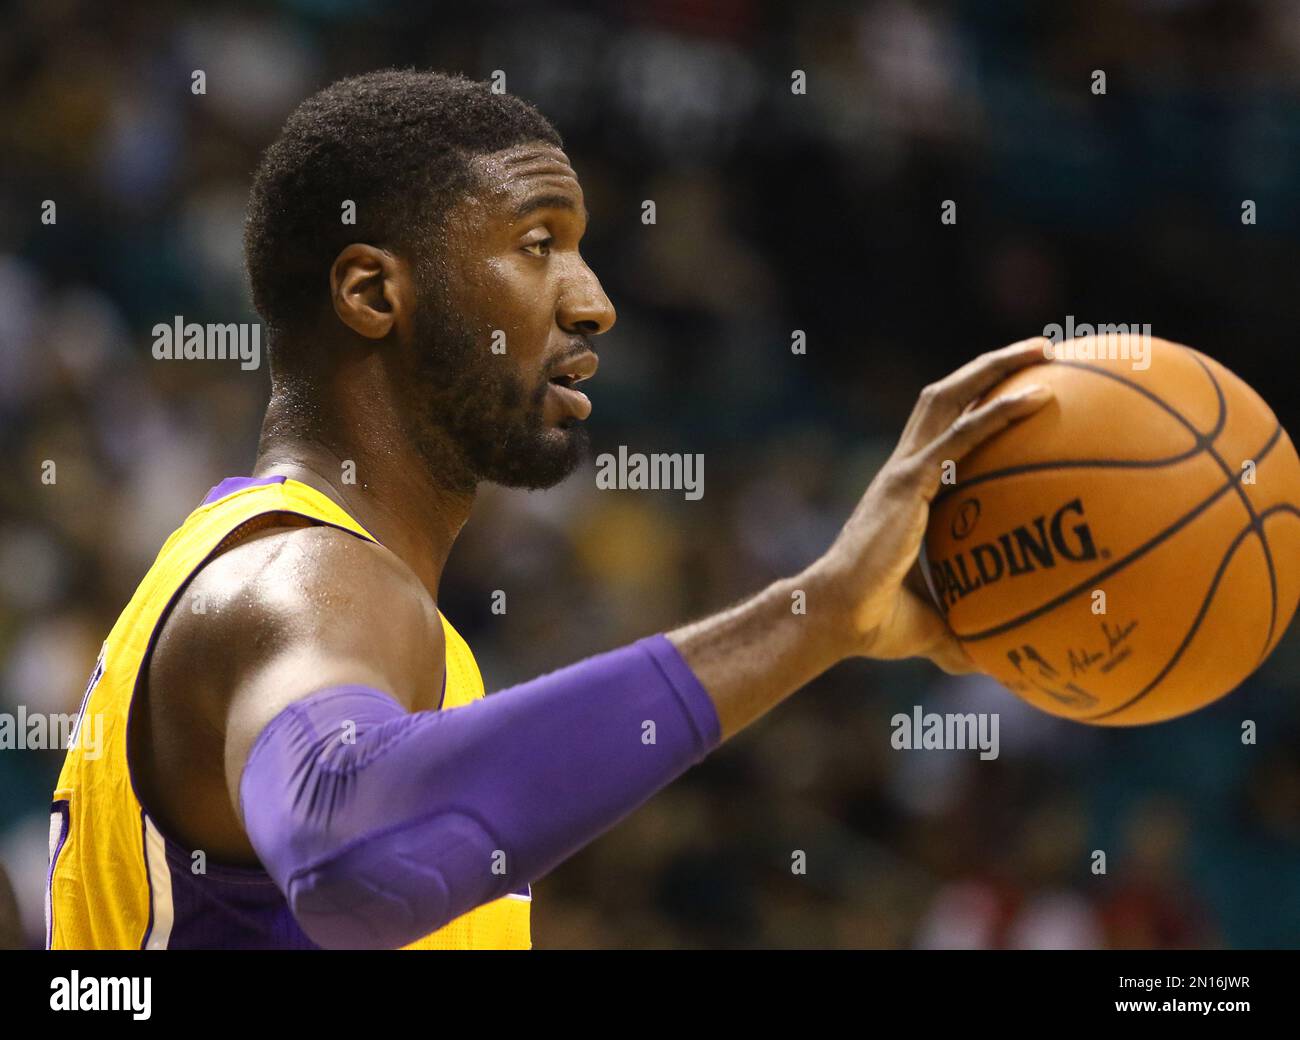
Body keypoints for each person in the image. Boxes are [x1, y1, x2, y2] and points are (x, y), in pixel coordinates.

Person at [47, 70, 1052, 949]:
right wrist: (817, 612)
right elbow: (349, 844)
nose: (594, 302)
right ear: (369, 292)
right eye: (538, 245)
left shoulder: (298, 586)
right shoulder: (305, 578)